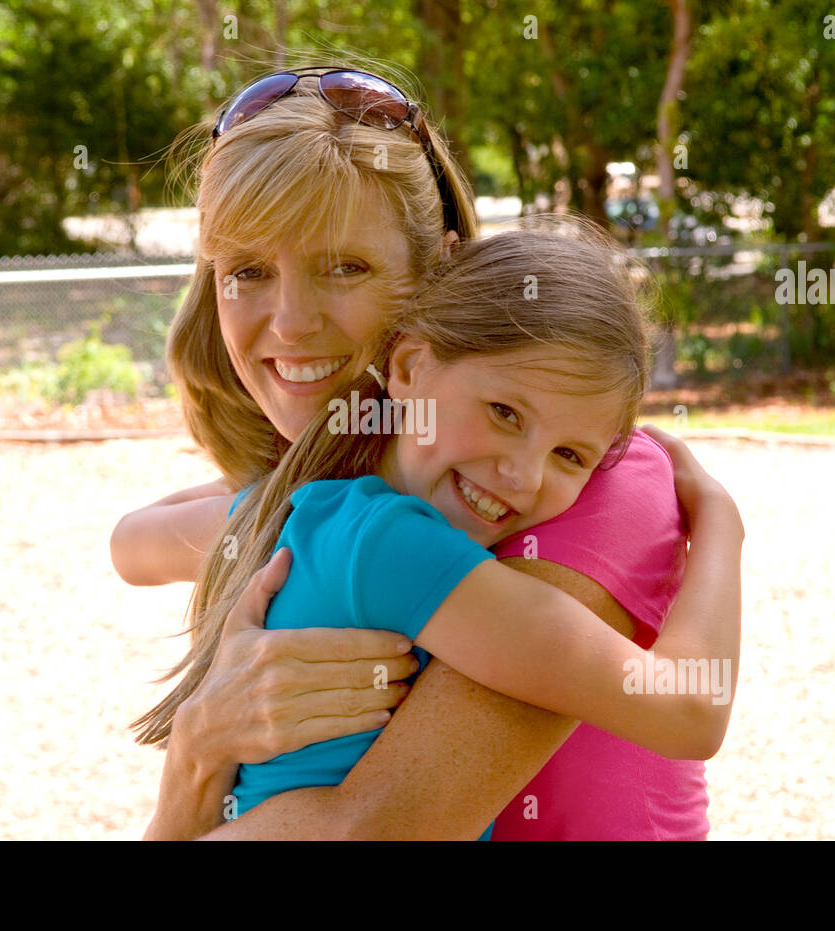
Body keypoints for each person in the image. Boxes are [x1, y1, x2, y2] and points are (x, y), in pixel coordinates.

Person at [110, 63, 743, 839]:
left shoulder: (604, 482)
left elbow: (364, 830)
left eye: (346, 266)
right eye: (248, 271)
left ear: (434, 273)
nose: (291, 321)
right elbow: (139, 540)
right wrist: (197, 745)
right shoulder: (332, 497)